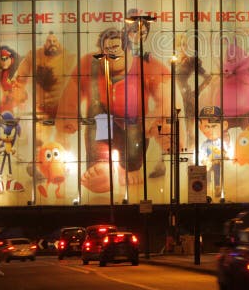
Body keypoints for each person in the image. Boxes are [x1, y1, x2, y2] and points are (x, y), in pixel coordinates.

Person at [58, 16, 171, 191]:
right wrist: (67, 120)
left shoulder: (145, 64)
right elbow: (72, 90)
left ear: (127, 48)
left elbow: (167, 91)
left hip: (134, 126)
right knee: (97, 112)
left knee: (135, 124)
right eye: (107, 49)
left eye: (116, 47)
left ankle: (131, 167)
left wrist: (156, 118)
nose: (112, 53)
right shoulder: (90, 63)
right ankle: (102, 164)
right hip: (105, 122)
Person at [13, 31, 76, 129]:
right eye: (49, 41)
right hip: (40, 113)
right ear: (44, 43)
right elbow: (19, 80)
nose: (52, 43)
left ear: (59, 42)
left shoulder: (70, 58)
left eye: (54, 41)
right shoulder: (33, 56)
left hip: (62, 112)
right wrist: (20, 98)